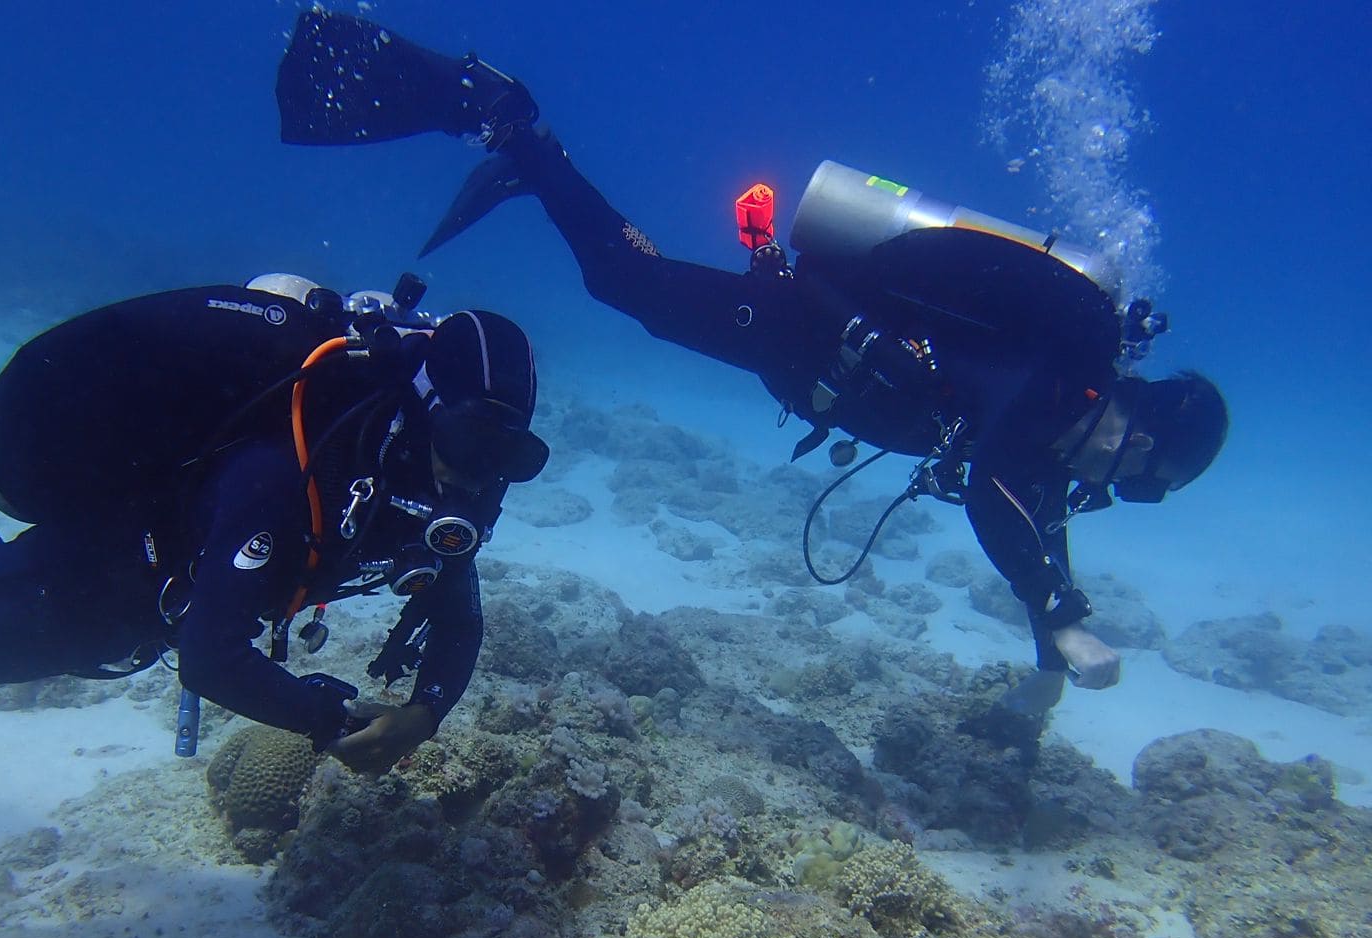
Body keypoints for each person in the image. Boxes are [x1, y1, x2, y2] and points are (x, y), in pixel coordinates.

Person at [272, 11, 1228, 711]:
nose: (1115, 486)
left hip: (806, 349)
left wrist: (1048, 665)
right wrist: (1058, 617)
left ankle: (528, 158)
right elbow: (996, 493)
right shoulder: (1066, 376)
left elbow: (1032, 513)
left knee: (628, 285)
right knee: (623, 283)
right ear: (1143, 428)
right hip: (802, 326)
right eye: (1141, 476)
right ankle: (509, 120)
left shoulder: (1057, 419)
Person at [0, 273, 549, 772]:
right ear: (421, 407)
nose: (479, 474)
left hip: (123, 614)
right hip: (86, 589)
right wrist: (324, 718)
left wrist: (426, 710)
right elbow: (210, 659)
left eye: (511, 455)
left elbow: (456, 615)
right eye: (471, 440)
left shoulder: (423, 485)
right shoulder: (285, 474)